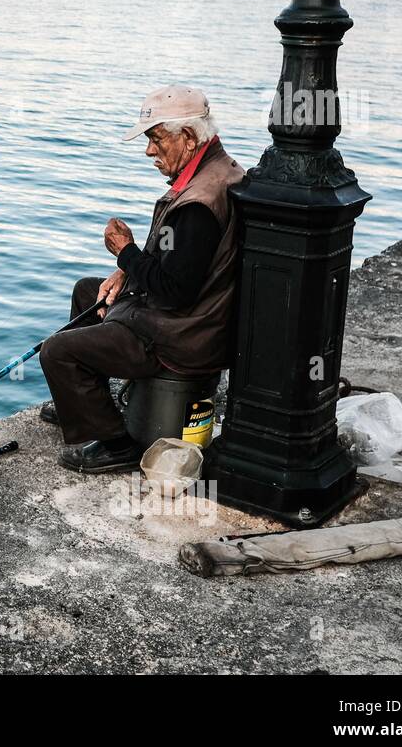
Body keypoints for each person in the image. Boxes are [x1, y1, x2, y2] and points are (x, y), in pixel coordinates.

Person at [38, 85, 246, 473]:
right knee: (89, 291)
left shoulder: (198, 203)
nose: (149, 151)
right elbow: (184, 259)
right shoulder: (215, 169)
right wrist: (126, 269)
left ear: (186, 137)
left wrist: (126, 252)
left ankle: (117, 444)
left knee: (57, 351)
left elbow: (175, 291)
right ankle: (85, 404)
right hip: (192, 319)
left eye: (155, 139)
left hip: (182, 336)